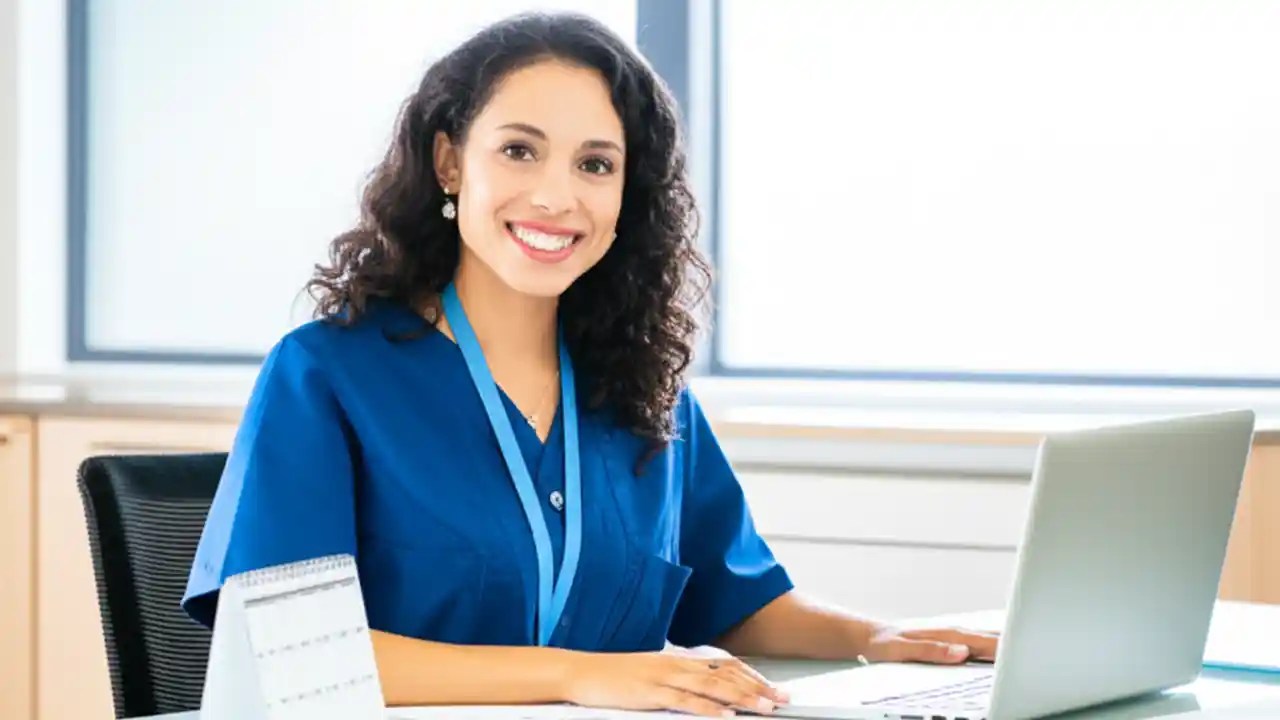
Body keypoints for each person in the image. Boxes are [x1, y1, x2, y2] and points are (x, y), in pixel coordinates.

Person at [182, 11, 997, 717]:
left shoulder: (646, 393)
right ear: (450, 162)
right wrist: (581, 676)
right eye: (519, 150)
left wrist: (878, 636)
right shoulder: (327, 376)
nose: (556, 197)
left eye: (595, 164)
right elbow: (289, 656)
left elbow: (737, 603)